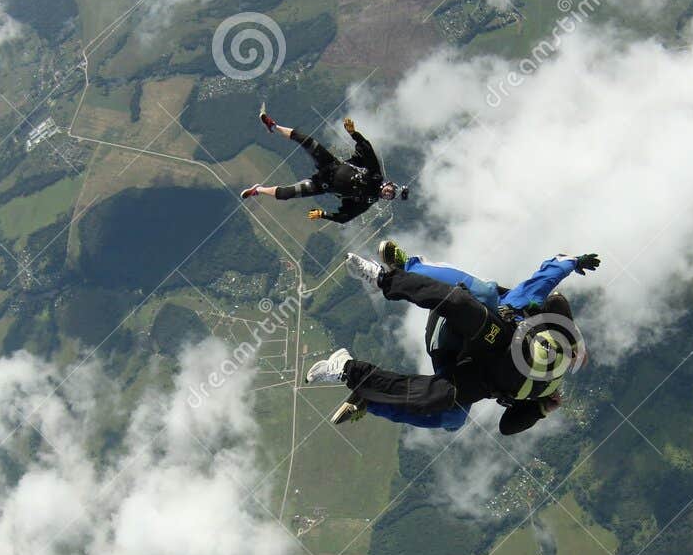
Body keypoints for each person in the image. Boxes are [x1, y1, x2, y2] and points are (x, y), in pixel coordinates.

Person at [304, 259, 583, 435]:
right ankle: (400, 272)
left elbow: (507, 426)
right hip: (448, 337)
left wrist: (542, 409)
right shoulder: (512, 324)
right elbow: (551, 289)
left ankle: (351, 375)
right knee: (472, 299)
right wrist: (384, 279)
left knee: (442, 408)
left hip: (475, 374)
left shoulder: (541, 385)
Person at [239, 109, 408, 223]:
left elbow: (345, 217)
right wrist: (354, 134)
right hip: (331, 164)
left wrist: (323, 215)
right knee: (305, 140)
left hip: (322, 185)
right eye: (391, 190)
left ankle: (258, 190)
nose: (387, 193)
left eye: (390, 196)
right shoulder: (375, 174)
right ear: (389, 183)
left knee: (285, 194)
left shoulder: (367, 200)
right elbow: (367, 149)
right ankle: (273, 126)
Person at [376, 240, 600, 315]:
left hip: (486, 346)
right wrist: (575, 261)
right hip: (489, 307)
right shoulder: (526, 301)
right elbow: (550, 274)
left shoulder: (545, 353)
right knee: (485, 292)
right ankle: (406, 266)